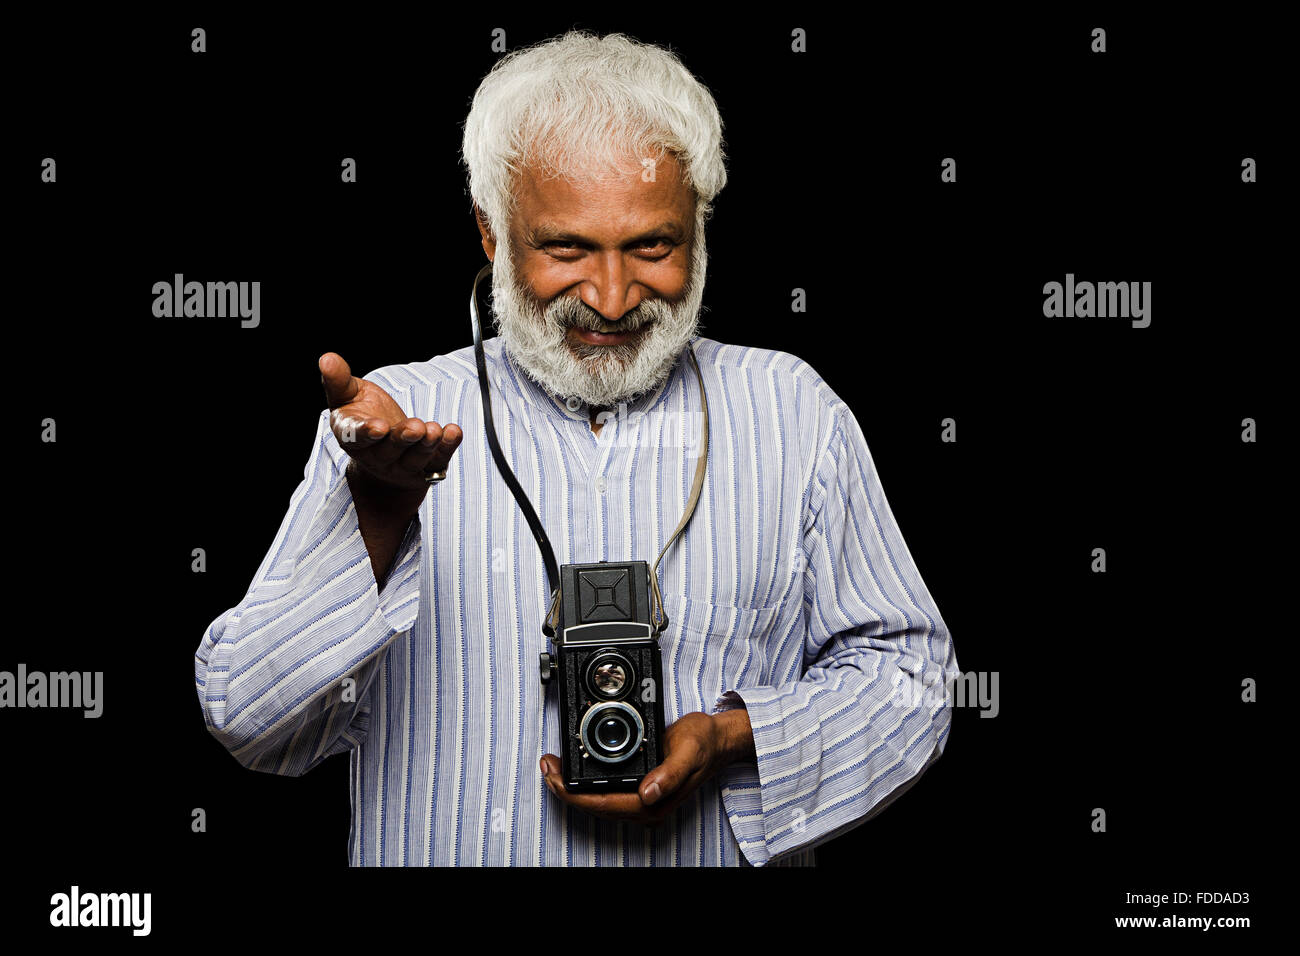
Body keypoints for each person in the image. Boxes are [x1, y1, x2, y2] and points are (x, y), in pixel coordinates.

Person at [194, 30, 959, 867]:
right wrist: (377, 521)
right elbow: (246, 718)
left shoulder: (795, 412)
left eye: (653, 247)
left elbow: (911, 682)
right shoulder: (394, 423)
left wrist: (735, 738)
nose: (612, 295)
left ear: (699, 228)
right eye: (566, 249)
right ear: (491, 234)